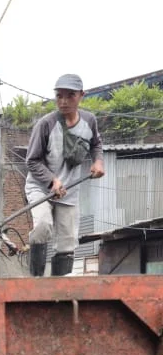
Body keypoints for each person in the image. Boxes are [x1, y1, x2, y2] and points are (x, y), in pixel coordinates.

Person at [25, 74, 105, 277]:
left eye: (70, 96)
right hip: (40, 188)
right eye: (59, 96)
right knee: (43, 226)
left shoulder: (89, 121)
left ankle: (60, 293)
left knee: (67, 243)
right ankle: (35, 284)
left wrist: (98, 161)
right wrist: (52, 180)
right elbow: (32, 161)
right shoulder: (46, 124)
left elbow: (96, 144)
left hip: (69, 192)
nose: (63, 101)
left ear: (81, 96)